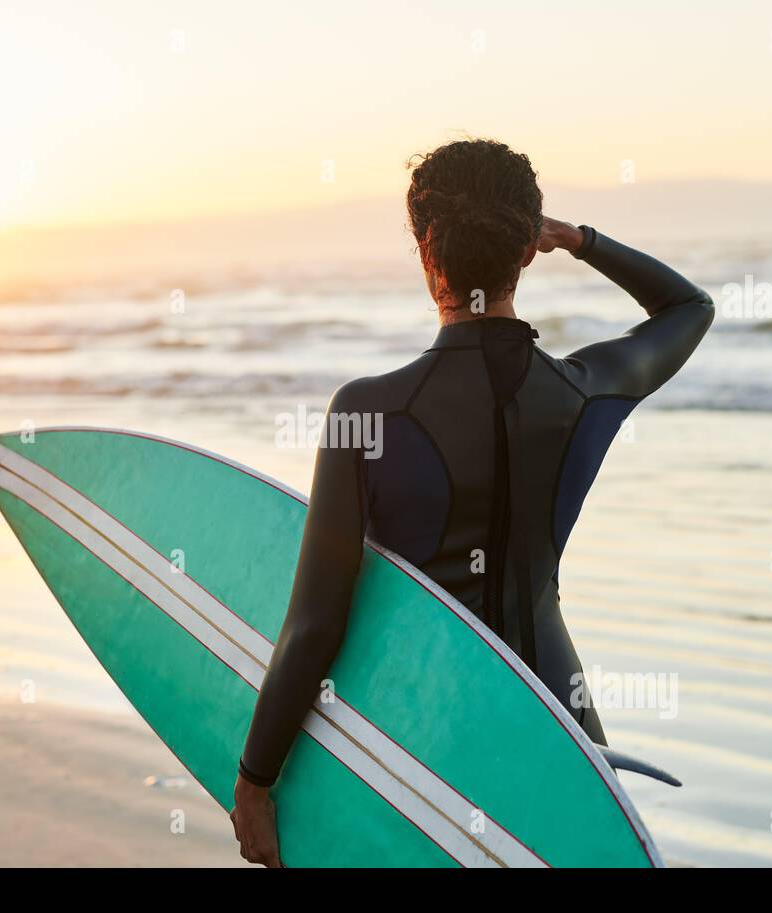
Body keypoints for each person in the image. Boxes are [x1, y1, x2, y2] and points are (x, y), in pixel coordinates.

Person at [229, 138, 714, 867]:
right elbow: (688, 307)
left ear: (426, 249)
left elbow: (316, 623)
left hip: (425, 732)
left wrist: (255, 780)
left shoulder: (365, 412)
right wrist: (579, 240)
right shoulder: (585, 390)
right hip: (564, 721)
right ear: (527, 250)